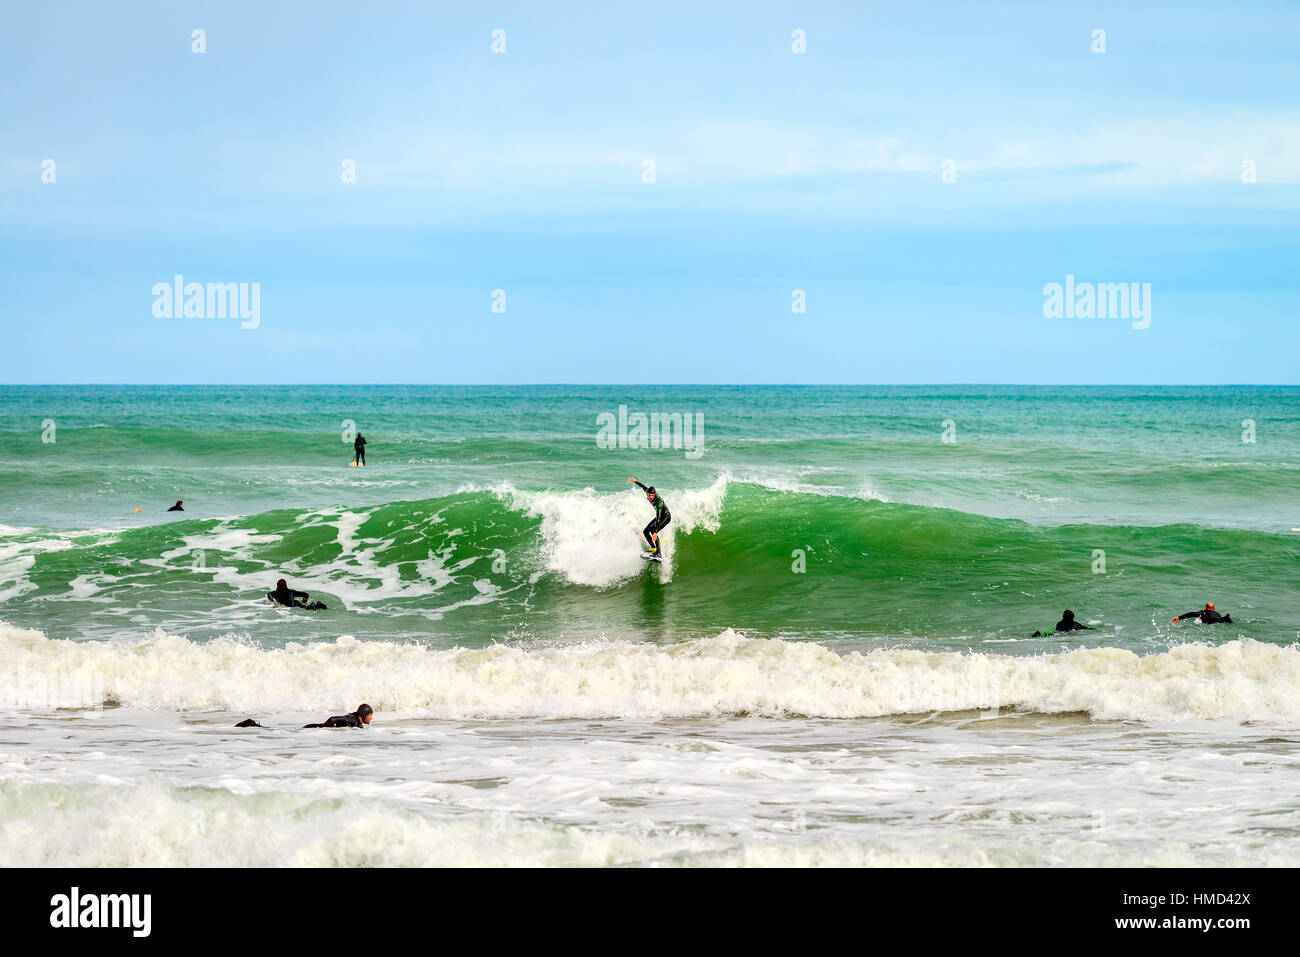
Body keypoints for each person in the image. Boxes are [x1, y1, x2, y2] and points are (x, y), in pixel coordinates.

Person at [628, 477, 670, 555]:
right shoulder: (647, 491)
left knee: (653, 531)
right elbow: (643, 486)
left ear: (654, 495)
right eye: (649, 495)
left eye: (652, 496)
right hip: (659, 517)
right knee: (646, 531)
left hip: (665, 517)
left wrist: (656, 532)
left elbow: (658, 517)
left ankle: (658, 553)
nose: (650, 497)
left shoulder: (659, 502)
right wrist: (635, 481)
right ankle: (653, 549)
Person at [304, 704, 374, 729]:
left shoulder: (357, 722)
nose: (371, 718)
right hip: (315, 728)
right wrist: (324, 729)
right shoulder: (353, 720)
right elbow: (332, 719)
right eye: (370, 715)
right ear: (364, 714)